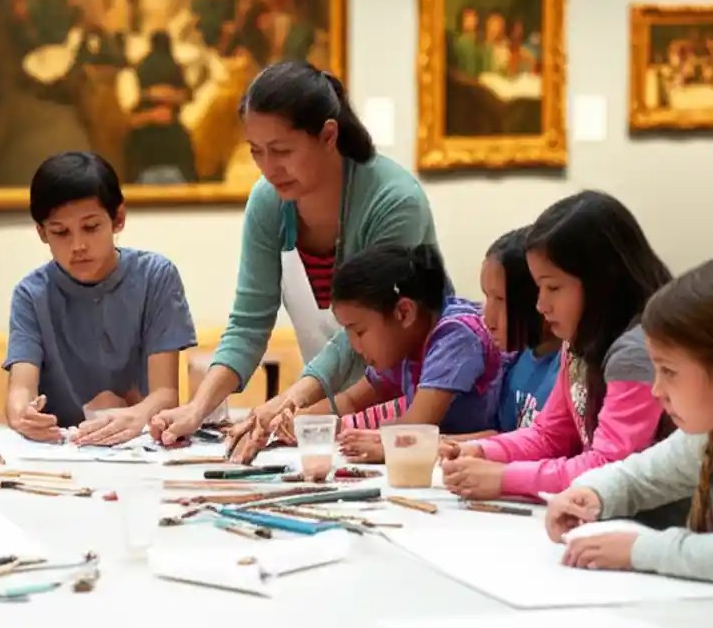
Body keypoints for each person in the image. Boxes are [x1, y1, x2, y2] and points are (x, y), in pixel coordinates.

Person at [151, 60, 442, 447]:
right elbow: (248, 324)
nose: (269, 169)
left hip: (408, 404)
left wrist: (291, 399)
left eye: (282, 150)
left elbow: (362, 330)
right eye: (256, 152)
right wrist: (197, 408)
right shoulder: (269, 202)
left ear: (328, 135)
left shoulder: (394, 201)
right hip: (327, 406)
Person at [546, 258, 713, 589]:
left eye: (669, 372)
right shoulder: (711, 432)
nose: (656, 390)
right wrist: (589, 494)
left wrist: (639, 550)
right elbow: (639, 477)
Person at [442, 191, 675, 502]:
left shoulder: (634, 353)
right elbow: (549, 435)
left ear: (600, 282)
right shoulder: (578, 341)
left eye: (553, 287)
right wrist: (481, 451)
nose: (541, 305)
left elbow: (608, 467)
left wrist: (503, 478)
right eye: (539, 288)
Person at [227, 244, 503, 464]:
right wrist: (292, 422)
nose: (356, 347)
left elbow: (413, 430)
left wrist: (349, 434)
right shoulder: (407, 340)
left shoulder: (455, 336)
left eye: (358, 331)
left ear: (403, 312)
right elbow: (350, 401)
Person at [4, 152, 196, 446]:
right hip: (62, 448)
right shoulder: (31, 294)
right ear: (42, 232)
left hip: (136, 443)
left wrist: (136, 415)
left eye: (91, 227)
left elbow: (166, 394)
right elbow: (21, 388)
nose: (78, 245)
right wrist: (22, 414)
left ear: (118, 218)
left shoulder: (155, 277)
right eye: (60, 232)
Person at [480, 226, 561, 433]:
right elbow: (500, 435)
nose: (487, 319)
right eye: (487, 297)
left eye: (501, 299)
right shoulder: (518, 361)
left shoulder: (569, 370)